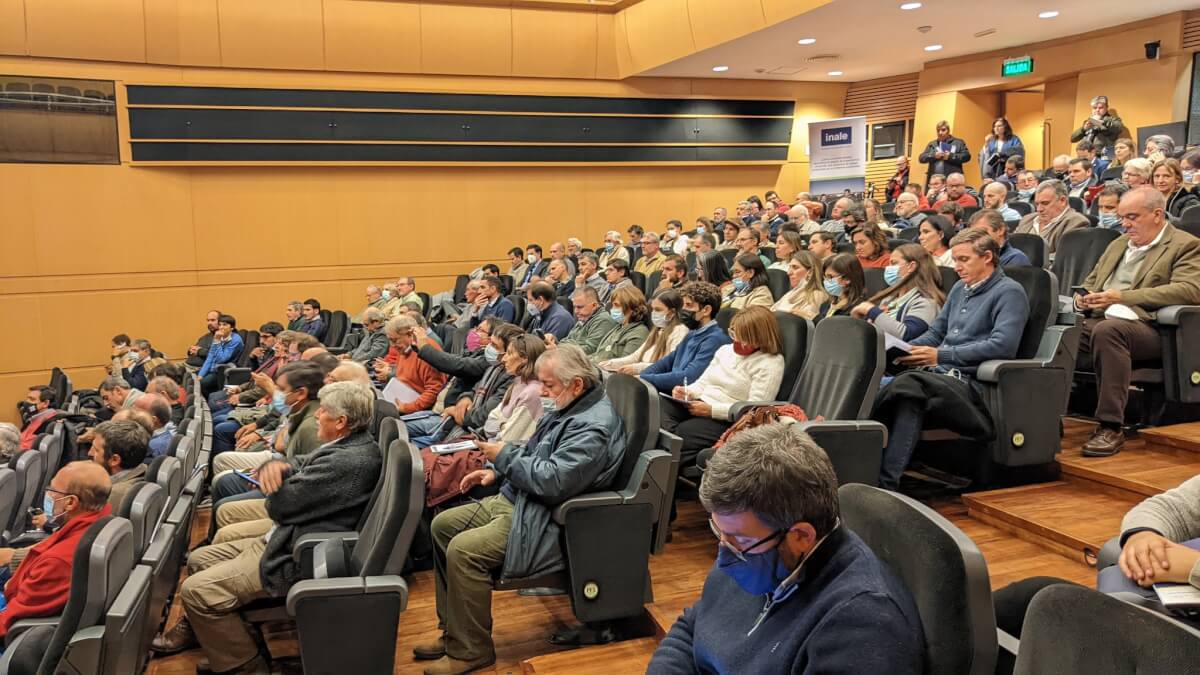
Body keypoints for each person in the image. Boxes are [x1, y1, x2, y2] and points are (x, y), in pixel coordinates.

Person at [647, 424, 925, 675]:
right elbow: (692, 626)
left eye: (739, 540)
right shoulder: (762, 551)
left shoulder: (863, 627)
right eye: (719, 532)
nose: (724, 555)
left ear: (801, 536)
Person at [416, 346, 626, 674]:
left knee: (464, 550)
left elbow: (553, 481)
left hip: (543, 515)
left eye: (549, 385)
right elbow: (533, 448)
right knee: (442, 525)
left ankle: (472, 650)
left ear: (577, 384)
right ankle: (454, 633)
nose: (541, 391)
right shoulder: (570, 404)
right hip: (521, 498)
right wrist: (497, 471)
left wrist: (503, 457)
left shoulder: (593, 427)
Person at [153, 381, 382, 675]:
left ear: (341, 422)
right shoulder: (347, 444)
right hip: (288, 535)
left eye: (323, 411)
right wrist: (282, 468)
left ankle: (247, 667)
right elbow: (303, 462)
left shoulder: (351, 460)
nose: (316, 414)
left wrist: (276, 484)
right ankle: (227, 643)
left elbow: (279, 506)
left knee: (196, 591)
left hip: (296, 553)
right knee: (199, 560)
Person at [871, 229, 1029, 488]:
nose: (956, 267)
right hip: (938, 377)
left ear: (987, 257)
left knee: (910, 391)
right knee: (886, 383)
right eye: (955, 260)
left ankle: (886, 484)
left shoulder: (1009, 292)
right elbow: (935, 334)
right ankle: (871, 471)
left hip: (972, 383)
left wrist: (942, 355)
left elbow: (1003, 346)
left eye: (964, 260)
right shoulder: (959, 288)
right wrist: (904, 349)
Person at [1072, 187, 1200, 456]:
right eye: (1121, 217)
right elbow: (1089, 284)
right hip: (1100, 320)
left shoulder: (1184, 244)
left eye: (1132, 216)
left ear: (1156, 214)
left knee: (1109, 331)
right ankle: (1043, 421)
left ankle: (1110, 427)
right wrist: (1081, 300)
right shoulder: (1118, 244)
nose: (1125, 224)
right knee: (1057, 334)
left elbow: (1189, 290)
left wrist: (1123, 297)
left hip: (1151, 328)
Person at [0, 461, 112, 642]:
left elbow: (9, 621)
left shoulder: (58, 561)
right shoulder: (100, 519)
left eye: (52, 490)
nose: (48, 495)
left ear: (70, 502)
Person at [659, 306, 784, 465]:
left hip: (726, 418)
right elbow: (703, 383)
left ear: (760, 337)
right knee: (655, 407)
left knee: (679, 435)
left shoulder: (770, 363)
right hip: (698, 404)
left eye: (743, 337)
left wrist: (711, 411)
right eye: (734, 334)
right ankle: (669, 451)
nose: (736, 341)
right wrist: (687, 392)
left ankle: (669, 459)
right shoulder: (725, 350)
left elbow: (752, 410)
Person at [210, 361, 325, 482]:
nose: (276, 393)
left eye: (280, 389)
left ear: (301, 393)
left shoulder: (311, 425)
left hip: (285, 475)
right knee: (222, 460)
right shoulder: (295, 408)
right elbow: (280, 435)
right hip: (278, 455)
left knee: (224, 480)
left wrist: (270, 473)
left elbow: (306, 474)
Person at [640, 282, 731, 393]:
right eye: (682, 305)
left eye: (689, 305)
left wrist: (645, 378)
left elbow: (688, 377)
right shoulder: (692, 334)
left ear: (706, 310)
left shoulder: (715, 339)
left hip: (690, 400)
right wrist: (644, 375)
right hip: (674, 393)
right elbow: (665, 363)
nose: (683, 310)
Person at [851, 244, 946, 340]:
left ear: (911, 266)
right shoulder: (889, 299)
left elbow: (907, 334)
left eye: (893, 263)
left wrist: (871, 311)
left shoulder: (926, 302)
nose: (888, 268)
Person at [600, 289, 688, 375]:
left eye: (658, 310)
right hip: (644, 377)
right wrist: (609, 363)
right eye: (652, 309)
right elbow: (635, 357)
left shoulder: (679, 331)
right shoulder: (657, 330)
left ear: (672, 312)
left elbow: (669, 366)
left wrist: (637, 368)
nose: (653, 313)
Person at [377, 316, 448, 414]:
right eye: (390, 340)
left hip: (418, 409)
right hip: (400, 403)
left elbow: (433, 391)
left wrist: (407, 408)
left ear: (410, 334)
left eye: (394, 340)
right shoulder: (404, 349)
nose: (392, 345)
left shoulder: (428, 351)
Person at [1015, 179, 1090, 256]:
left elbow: (1062, 257)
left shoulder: (1076, 222)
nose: (1039, 209)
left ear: (1062, 201)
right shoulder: (1026, 219)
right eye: (1037, 204)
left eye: (1045, 203)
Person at [88, 419, 149, 509]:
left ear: (114, 460)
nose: (90, 453)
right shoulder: (144, 471)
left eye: (96, 450)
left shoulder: (114, 496)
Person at [590, 285, 651, 364]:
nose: (612, 309)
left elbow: (623, 365)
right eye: (612, 305)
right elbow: (599, 355)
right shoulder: (618, 327)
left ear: (631, 308)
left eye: (616, 305)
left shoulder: (639, 333)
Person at [556, 286, 617, 356]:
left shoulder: (604, 320)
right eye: (574, 307)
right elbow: (566, 339)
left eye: (580, 307)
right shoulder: (584, 317)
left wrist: (561, 348)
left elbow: (590, 349)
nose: (576, 311)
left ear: (594, 305)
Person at [771, 250, 827, 320]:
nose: (789, 272)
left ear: (810, 272)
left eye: (795, 267)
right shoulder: (790, 293)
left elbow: (806, 326)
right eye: (789, 267)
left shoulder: (816, 295)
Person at [198, 314, 245, 396]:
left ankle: (210, 403)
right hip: (213, 369)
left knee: (202, 384)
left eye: (225, 325)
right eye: (220, 324)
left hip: (223, 371)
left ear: (232, 328)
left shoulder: (236, 339)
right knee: (195, 381)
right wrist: (200, 375)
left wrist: (217, 341)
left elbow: (222, 359)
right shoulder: (219, 337)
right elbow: (210, 357)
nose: (221, 327)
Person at [1071, 95, 1124, 160]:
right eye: (1094, 108)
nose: (1097, 110)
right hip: (1085, 156)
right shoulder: (1088, 121)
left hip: (1103, 156)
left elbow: (1118, 128)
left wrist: (1100, 122)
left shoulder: (1113, 119)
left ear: (1106, 108)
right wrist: (1083, 129)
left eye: (1100, 108)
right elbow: (1073, 138)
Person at [818, 254, 867, 320]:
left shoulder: (858, 309)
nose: (825, 281)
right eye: (825, 276)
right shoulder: (825, 305)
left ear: (847, 278)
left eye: (830, 277)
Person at [980, 117, 1026, 181]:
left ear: (1005, 127)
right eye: (995, 126)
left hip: (1009, 171)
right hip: (994, 171)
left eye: (999, 126)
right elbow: (985, 156)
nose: (996, 128)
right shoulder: (992, 141)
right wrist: (986, 143)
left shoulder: (1014, 139)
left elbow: (1019, 152)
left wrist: (1002, 155)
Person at [135, 394, 176, 461]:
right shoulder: (167, 436)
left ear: (153, 420)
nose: (131, 415)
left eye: (136, 412)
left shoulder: (151, 447)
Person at [18, 386, 57, 450]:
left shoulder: (45, 423)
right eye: (27, 398)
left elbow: (25, 449)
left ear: (45, 403)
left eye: (32, 399)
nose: (27, 402)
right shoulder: (36, 417)